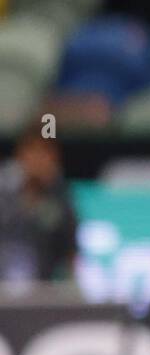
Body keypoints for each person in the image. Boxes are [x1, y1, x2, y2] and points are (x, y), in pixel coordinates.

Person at [0, 120, 79, 293]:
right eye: (33, 151)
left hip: (39, 295)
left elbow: (71, 253)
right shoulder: (3, 190)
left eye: (46, 152)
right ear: (20, 155)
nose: (38, 159)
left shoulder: (61, 198)